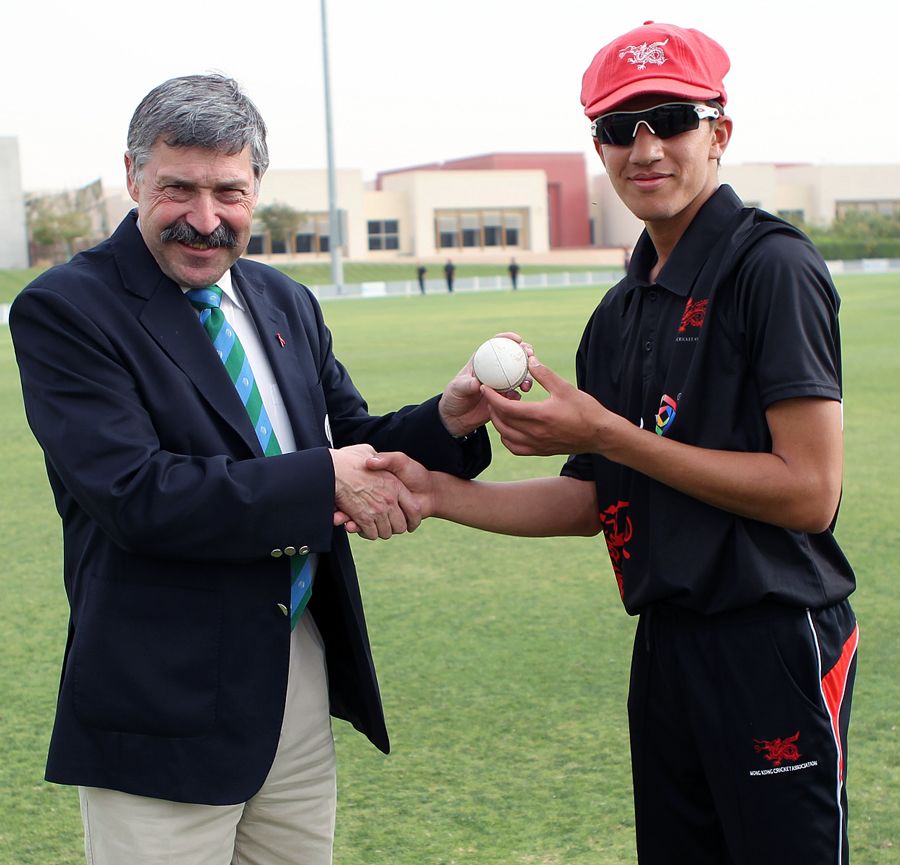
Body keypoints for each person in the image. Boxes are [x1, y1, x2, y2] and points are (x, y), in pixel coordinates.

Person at [362, 21, 859, 865]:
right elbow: (597, 496)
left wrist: (610, 435)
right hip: (664, 645)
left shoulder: (771, 266)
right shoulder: (618, 313)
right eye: (619, 128)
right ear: (598, 147)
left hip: (772, 637)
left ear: (720, 133)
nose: (645, 148)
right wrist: (439, 493)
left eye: (672, 119)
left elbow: (811, 492)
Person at [9, 73, 501, 865]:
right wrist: (326, 481)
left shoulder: (283, 299)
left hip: (295, 669)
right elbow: (138, 494)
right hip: (160, 702)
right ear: (133, 177)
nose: (206, 219)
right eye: (179, 188)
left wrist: (447, 418)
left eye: (229, 192)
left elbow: (349, 436)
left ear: (256, 188)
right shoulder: (67, 309)